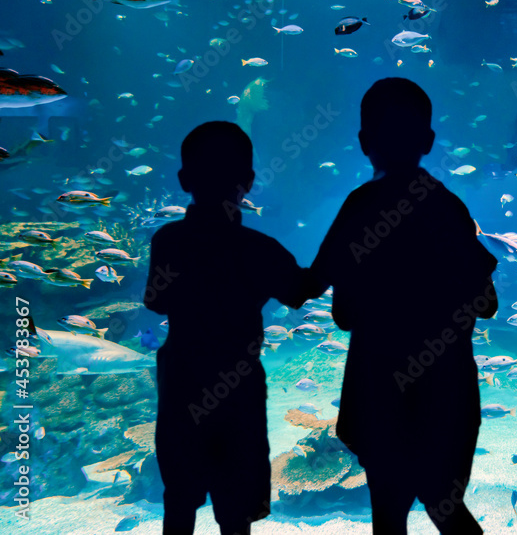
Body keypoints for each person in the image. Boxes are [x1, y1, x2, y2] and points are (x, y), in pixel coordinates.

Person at [310, 78, 498, 534]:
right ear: (428, 142)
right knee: (445, 505)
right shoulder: (448, 207)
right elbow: (487, 303)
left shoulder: (358, 207)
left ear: (362, 143)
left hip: (378, 392)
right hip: (447, 391)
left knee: (387, 519)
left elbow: (337, 309)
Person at [144, 121, 314, 535]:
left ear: (184, 180)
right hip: (238, 391)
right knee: (236, 513)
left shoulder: (168, 240)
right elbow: (299, 290)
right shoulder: (257, 249)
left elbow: (155, 301)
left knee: (179, 502)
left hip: (182, 384)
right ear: (249, 183)